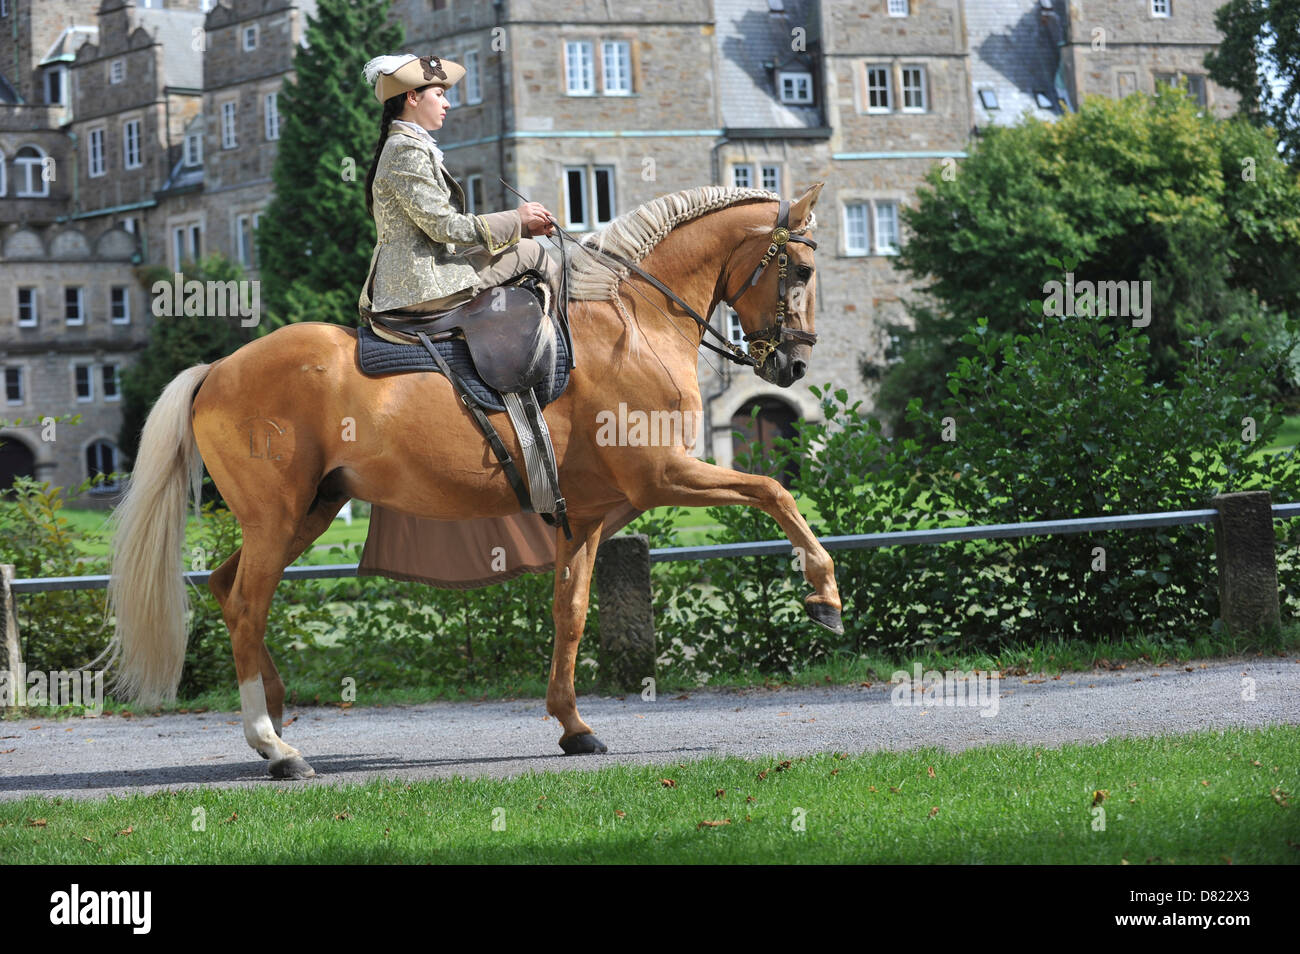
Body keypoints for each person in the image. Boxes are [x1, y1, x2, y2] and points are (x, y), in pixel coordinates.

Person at [358, 53, 563, 320]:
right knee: (531, 252)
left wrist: (522, 226)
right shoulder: (405, 150)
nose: (448, 104)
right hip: (419, 286)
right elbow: (443, 226)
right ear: (412, 97)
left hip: (425, 276)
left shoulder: (408, 146)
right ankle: (572, 343)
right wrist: (516, 218)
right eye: (439, 94)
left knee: (518, 245)